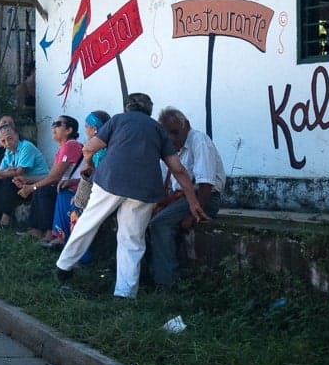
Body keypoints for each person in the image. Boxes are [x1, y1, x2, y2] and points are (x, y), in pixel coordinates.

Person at [54, 92, 208, 298]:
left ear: (127, 108)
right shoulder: (157, 129)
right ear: (149, 110)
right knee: (132, 238)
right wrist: (193, 201)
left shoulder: (118, 120)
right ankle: (125, 293)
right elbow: (178, 169)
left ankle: (64, 268)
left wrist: (89, 165)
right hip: (144, 189)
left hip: (110, 179)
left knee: (89, 222)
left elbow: (89, 148)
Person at [146, 107, 226, 288]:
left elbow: (206, 185)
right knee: (143, 219)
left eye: (175, 132)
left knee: (160, 224)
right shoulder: (168, 147)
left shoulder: (199, 141)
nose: (172, 138)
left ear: (186, 126)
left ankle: (167, 282)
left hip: (205, 198)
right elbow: (164, 183)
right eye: (167, 134)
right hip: (180, 199)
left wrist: (192, 215)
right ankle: (150, 275)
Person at [41, 110, 109, 248]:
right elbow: (89, 174)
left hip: (102, 192)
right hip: (91, 187)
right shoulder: (93, 148)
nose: (86, 130)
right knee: (63, 192)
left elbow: (100, 176)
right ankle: (60, 237)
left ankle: (77, 246)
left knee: (74, 200)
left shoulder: (103, 150)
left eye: (87, 126)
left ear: (94, 129)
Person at [17, 114, 81, 240]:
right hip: (63, 185)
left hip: (74, 189)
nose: (53, 127)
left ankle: (49, 232)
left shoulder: (71, 145)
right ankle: (36, 230)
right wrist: (27, 181)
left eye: (57, 124)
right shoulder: (63, 148)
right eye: (53, 124)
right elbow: (50, 176)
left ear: (69, 130)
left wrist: (32, 187)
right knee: (39, 188)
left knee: (42, 189)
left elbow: (54, 178)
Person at [0, 124, 49, 228]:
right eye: (3, 141)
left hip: (37, 184)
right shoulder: (8, 151)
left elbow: (18, 172)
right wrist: (4, 171)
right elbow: (1, 172)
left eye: (10, 138)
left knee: (10, 180)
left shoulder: (26, 147)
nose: (7, 143)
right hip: (21, 182)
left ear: (17, 135)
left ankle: (4, 222)